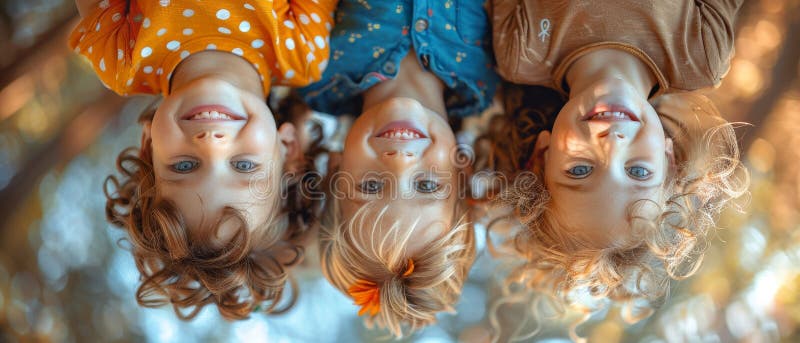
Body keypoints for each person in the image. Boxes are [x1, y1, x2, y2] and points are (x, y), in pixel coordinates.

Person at [484, 0, 750, 336]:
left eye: (580, 170)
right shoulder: (699, 53)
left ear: (542, 155)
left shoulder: (520, 50)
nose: (612, 142)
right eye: (638, 172)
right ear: (669, 160)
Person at [70, 0, 336, 319]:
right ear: (288, 147)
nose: (212, 145)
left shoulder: (122, 57)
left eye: (185, 166)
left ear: (148, 146)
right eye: (243, 166)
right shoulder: (303, 50)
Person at [299, 0, 499, 337]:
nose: (400, 161)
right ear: (461, 173)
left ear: (335, 170)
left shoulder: (316, 68)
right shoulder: (492, 73)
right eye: (426, 186)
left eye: (372, 186)